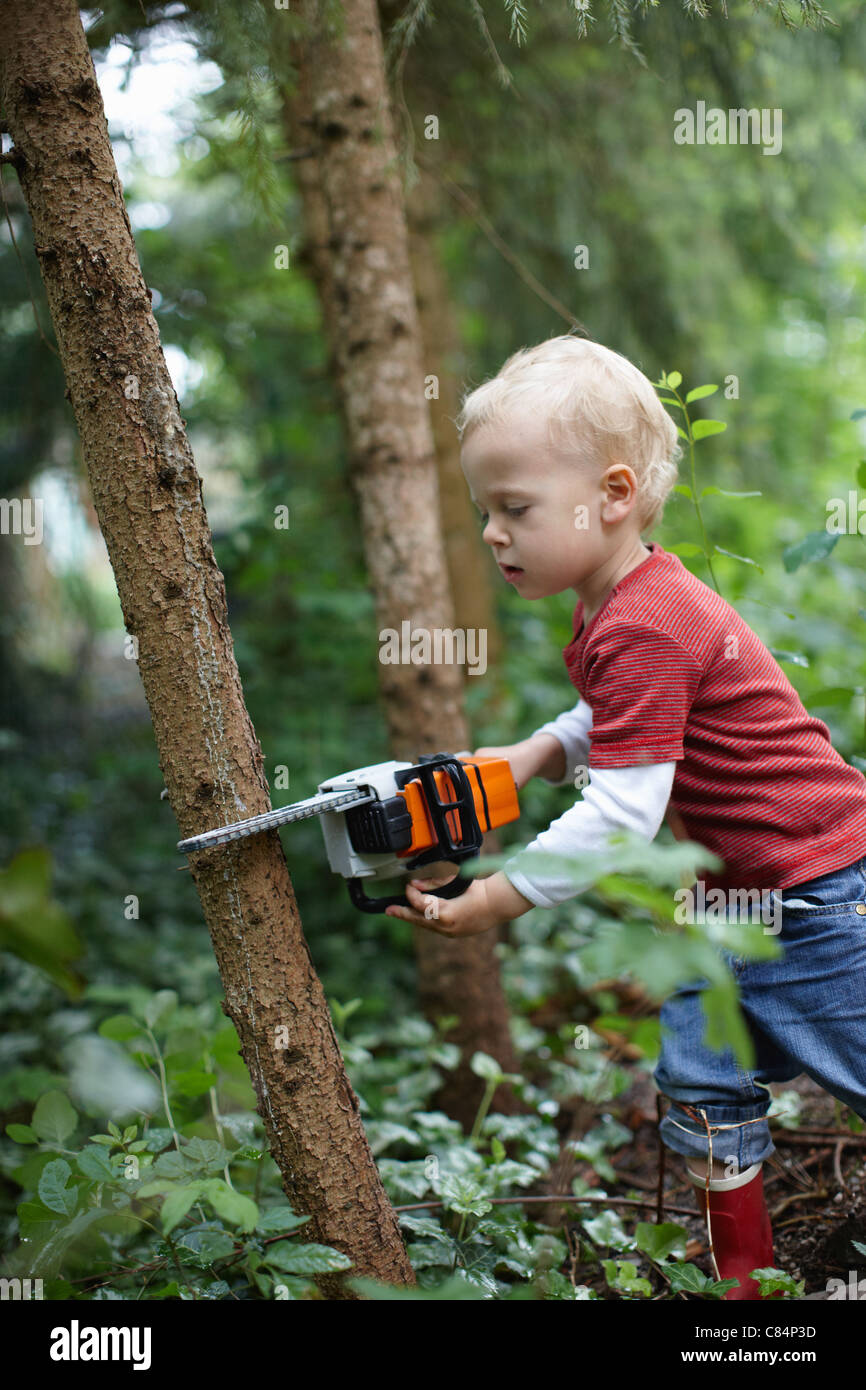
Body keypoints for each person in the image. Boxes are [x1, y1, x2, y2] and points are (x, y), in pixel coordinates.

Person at [383, 333, 866, 1300]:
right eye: (487, 510)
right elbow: (612, 716)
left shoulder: (647, 618)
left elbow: (622, 812)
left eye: (514, 509)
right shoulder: (621, 603)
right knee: (701, 1082)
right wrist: (536, 756)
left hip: (811, 894)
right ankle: (751, 1296)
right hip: (735, 910)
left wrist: (503, 896)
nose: (492, 533)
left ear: (610, 495)